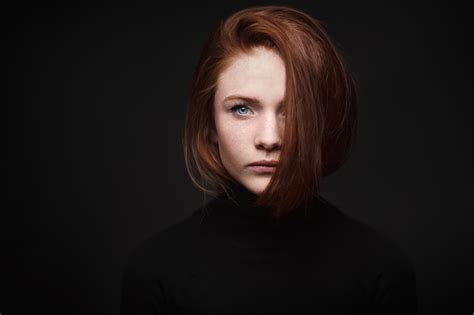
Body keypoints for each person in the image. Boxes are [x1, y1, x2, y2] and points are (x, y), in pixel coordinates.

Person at [119, 5, 418, 314]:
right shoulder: (155, 273)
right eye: (242, 109)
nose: (270, 139)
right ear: (209, 125)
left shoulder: (382, 272)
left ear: (322, 122)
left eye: (293, 111)